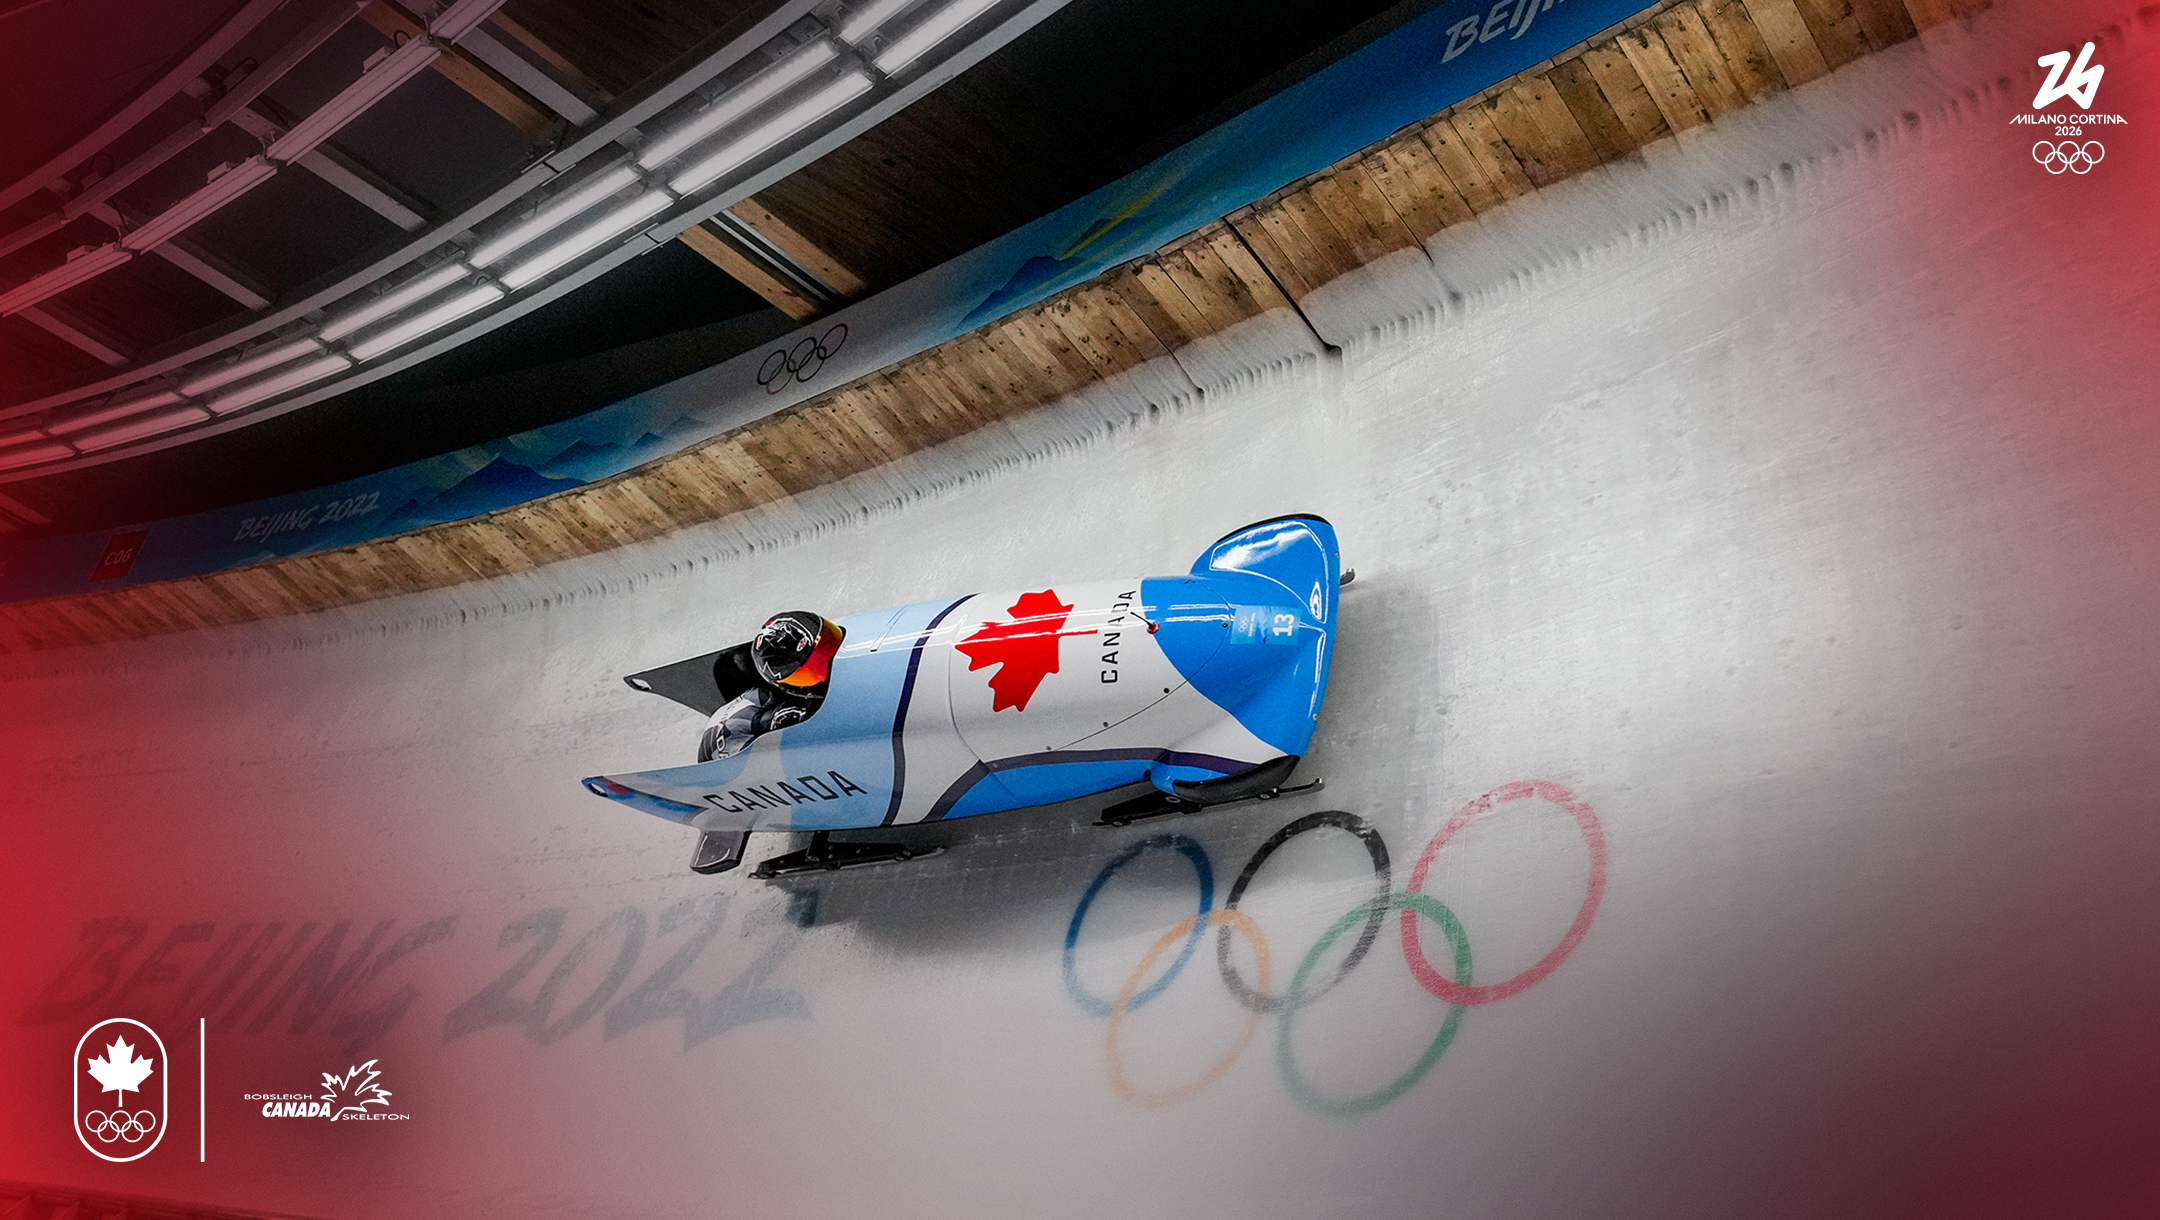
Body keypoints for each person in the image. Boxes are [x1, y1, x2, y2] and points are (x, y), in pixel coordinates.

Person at [697, 611, 843, 762]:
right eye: (809, 673)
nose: (825, 662)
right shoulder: (759, 723)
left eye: (827, 643)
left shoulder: (764, 696)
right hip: (734, 760)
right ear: (786, 685)